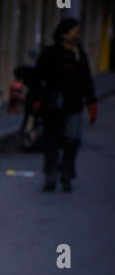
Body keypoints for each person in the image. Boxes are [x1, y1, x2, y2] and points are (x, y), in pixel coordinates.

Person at [33, 18, 97, 192]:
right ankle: (50, 175)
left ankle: (66, 172)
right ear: (64, 33)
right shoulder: (49, 53)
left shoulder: (79, 53)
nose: (78, 35)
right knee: (51, 141)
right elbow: (37, 78)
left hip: (73, 103)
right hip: (53, 104)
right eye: (75, 31)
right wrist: (37, 100)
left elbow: (86, 79)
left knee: (73, 139)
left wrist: (91, 102)